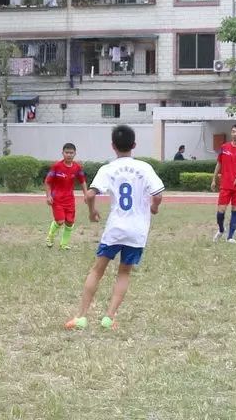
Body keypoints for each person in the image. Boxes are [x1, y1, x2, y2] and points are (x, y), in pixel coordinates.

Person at [65, 125, 164, 331]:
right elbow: (158, 194)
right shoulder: (145, 168)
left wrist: (92, 211)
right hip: (137, 230)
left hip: (115, 228)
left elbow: (90, 194)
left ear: (113, 146)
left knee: (97, 270)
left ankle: (81, 317)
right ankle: (109, 318)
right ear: (134, 145)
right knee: (124, 273)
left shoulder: (108, 169)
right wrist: (154, 207)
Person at [44, 143, 88, 250]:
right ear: (62, 153)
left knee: (69, 223)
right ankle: (50, 237)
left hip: (70, 200)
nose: (69, 155)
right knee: (60, 221)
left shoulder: (77, 167)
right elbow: (47, 182)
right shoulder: (57, 166)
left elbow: (82, 181)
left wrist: (86, 194)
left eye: (71, 153)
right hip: (57, 199)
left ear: (75, 154)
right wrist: (48, 196)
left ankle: (63, 245)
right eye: (66, 152)